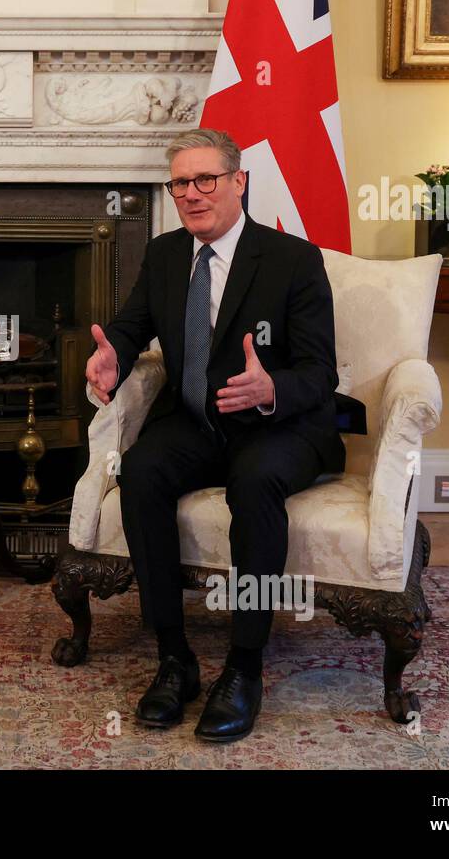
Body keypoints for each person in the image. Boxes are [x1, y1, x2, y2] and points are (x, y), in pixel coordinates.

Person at [85, 127, 344, 742]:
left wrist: (270, 388)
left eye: (207, 180)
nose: (193, 194)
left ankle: (244, 666)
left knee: (253, 483)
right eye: (180, 183)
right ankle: (174, 659)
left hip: (276, 425)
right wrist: (113, 356)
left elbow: (321, 373)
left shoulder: (293, 260)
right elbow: (131, 324)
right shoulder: (168, 255)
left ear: (238, 183)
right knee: (141, 472)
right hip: (198, 422)